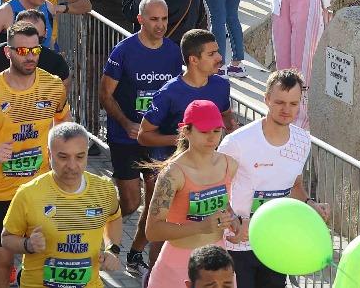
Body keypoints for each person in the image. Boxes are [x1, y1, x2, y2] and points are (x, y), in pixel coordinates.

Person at [0, 22, 70, 288]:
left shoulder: (53, 85)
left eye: (35, 50)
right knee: (1, 262)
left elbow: (63, 122)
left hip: (39, 188)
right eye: (22, 50)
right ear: (7, 52)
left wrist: (61, 154)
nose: (30, 56)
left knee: (43, 258)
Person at [218, 68, 326, 288]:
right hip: (240, 243)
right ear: (266, 99)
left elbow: (295, 185)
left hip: (276, 241)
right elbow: (214, 187)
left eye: (293, 104)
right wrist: (235, 220)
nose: (286, 110)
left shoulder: (302, 141)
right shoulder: (237, 142)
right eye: (279, 102)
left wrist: (310, 204)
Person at [99, 0, 183, 276]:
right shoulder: (123, 51)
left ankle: (135, 253)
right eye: (154, 19)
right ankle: (98, 223)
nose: (160, 25)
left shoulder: (173, 52)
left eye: (164, 19)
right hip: (125, 138)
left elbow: (172, 93)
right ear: (140, 20)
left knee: (156, 201)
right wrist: (126, 123)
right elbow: (105, 94)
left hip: (157, 139)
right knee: (131, 202)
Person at [1, 122, 123, 288]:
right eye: (63, 157)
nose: (72, 166)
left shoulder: (104, 189)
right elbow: (6, 238)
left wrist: (112, 249)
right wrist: (27, 245)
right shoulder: (28, 194)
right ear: (49, 154)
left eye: (79, 157)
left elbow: (114, 217)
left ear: (87, 154)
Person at [144, 99, 240, 288]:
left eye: (216, 131)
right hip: (177, 267)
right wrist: (200, 227)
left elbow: (223, 204)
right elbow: (152, 231)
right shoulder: (173, 174)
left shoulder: (229, 165)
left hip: (218, 266)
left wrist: (233, 219)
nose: (211, 138)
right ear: (186, 131)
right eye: (204, 131)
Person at [139, 29, 237, 161]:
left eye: (217, 52)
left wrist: (232, 128)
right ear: (193, 60)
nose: (219, 57)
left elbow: (226, 114)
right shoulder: (168, 93)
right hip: (174, 165)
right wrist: (185, 139)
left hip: (208, 164)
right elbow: (143, 136)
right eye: (211, 54)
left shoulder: (221, 85)